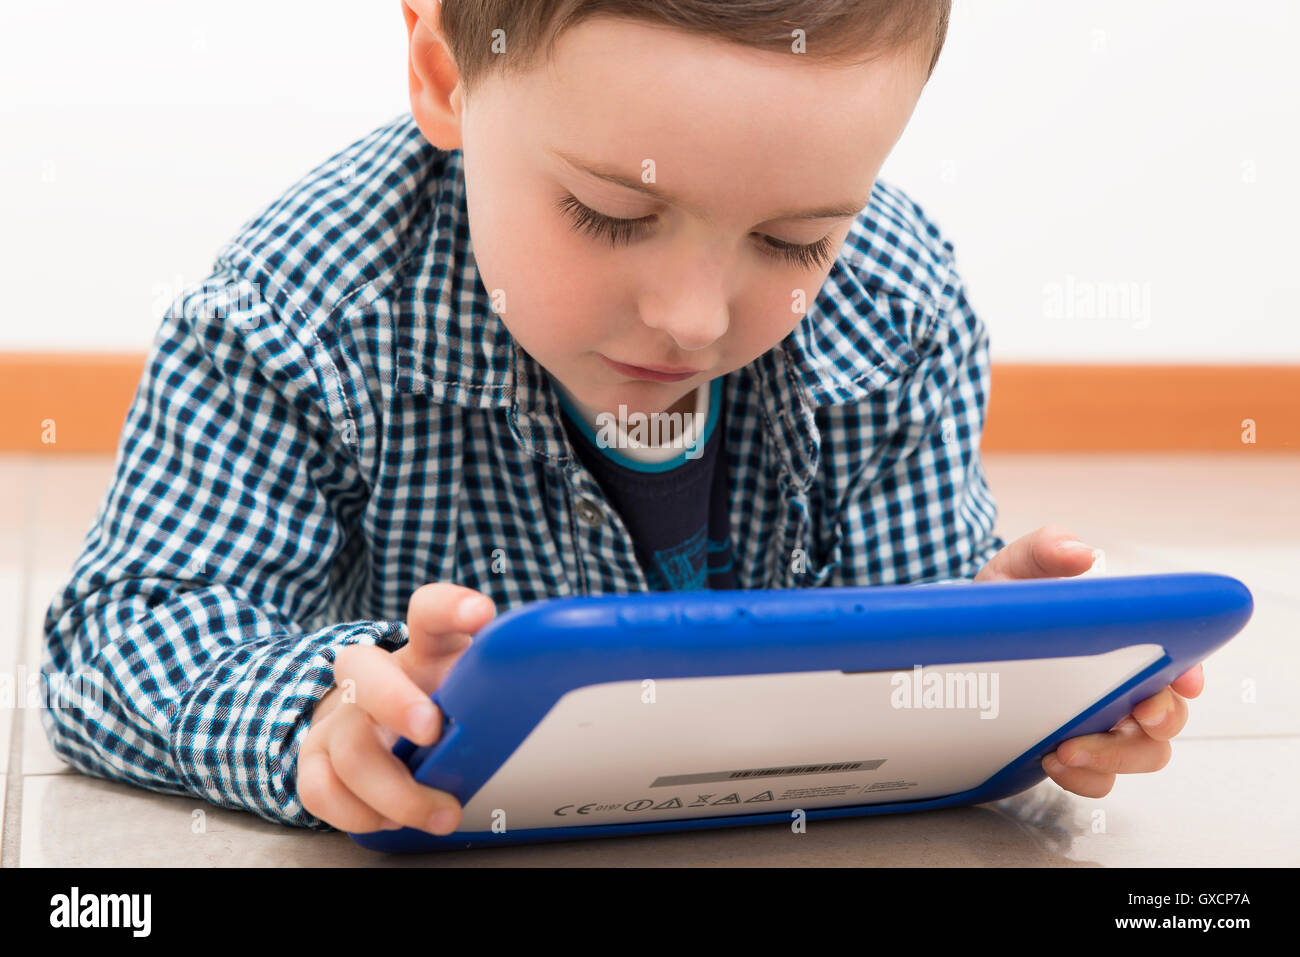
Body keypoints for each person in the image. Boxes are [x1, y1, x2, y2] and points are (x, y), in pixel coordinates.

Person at [41, 0, 1202, 840]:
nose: (692, 319)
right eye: (609, 213)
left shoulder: (891, 296)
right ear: (446, 76)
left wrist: (1001, 671)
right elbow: (115, 642)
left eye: (794, 239)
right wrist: (321, 716)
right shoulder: (301, 310)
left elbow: (905, 624)